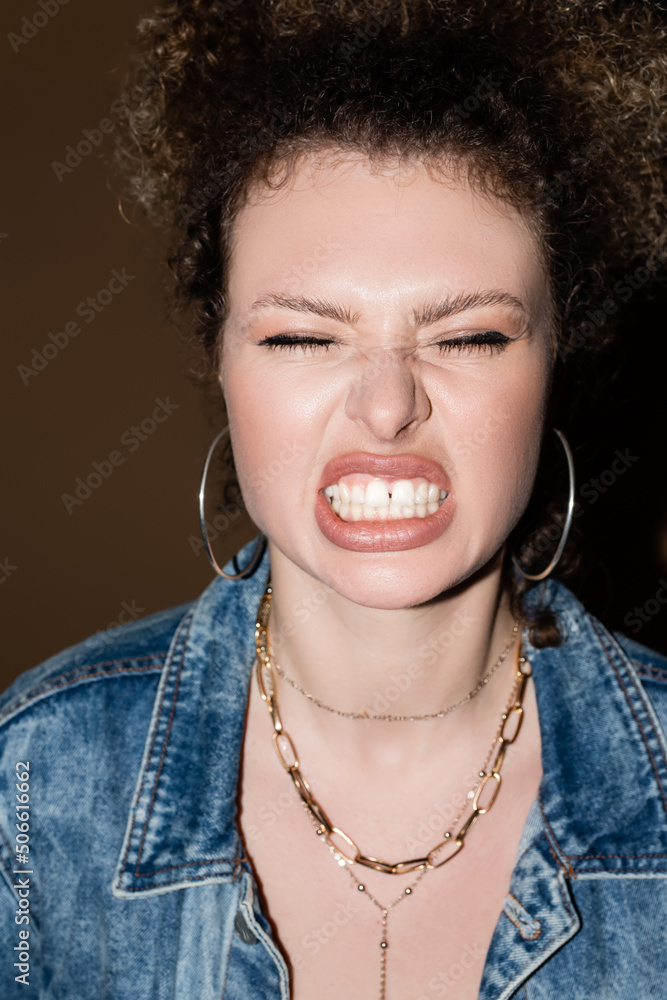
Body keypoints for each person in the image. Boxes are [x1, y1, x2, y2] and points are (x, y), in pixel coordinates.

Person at [2, 1, 667, 997]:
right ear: (221, 362)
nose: (388, 404)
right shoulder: (34, 785)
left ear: (553, 365)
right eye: (303, 338)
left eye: (470, 336)